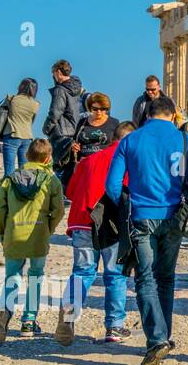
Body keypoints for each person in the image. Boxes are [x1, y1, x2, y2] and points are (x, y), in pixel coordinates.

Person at [105, 96, 188, 365]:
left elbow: (112, 187)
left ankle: (157, 339)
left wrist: (126, 204)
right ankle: (164, 335)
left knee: (145, 279)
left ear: (147, 115)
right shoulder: (185, 141)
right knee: (165, 277)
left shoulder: (130, 140)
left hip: (141, 215)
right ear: (173, 115)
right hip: (174, 217)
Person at [56, 122, 136, 346]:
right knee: (115, 275)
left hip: (82, 221)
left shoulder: (88, 160)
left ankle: (69, 315)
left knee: (82, 272)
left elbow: (70, 191)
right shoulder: (127, 161)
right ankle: (114, 326)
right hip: (110, 224)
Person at [0, 139, 65, 343]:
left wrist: (2, 231)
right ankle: (29, 321)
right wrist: (48, 229)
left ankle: (3, 315)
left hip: (14, 233)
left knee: (12, 276)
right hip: (38, 232)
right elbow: (58, 210)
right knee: (35, 276)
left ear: (26, 156)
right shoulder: (51, 180)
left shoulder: (9, 179)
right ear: (48, 158)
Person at [62, 92, 121, 184]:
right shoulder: (82, 122)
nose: (99, 112)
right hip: (84, 166)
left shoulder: (114, 123)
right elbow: (75, 140)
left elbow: (117, 145)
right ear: (89, 108)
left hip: (103, 167)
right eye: (95, 109)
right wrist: (73, 146)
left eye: (103, 109)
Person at [43, 59, 85, 185]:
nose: (53, 76)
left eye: (53, 73)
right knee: (70, 168)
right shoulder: (76, 87)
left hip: (61, 133)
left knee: (59, 168)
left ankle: (59, 197)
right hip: (75, 131)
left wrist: (46, 128)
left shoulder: (60, 90)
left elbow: (55, 112)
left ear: (58, 72)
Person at [1, 78, 39, 177]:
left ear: (21, 86)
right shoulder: (36, 104)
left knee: (9, 170)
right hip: (27, 137)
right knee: (25, 171)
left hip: (12, 135)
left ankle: (8, 191)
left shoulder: (11, 99)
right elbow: (31, 121)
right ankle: (23, 191)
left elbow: (2, 115)